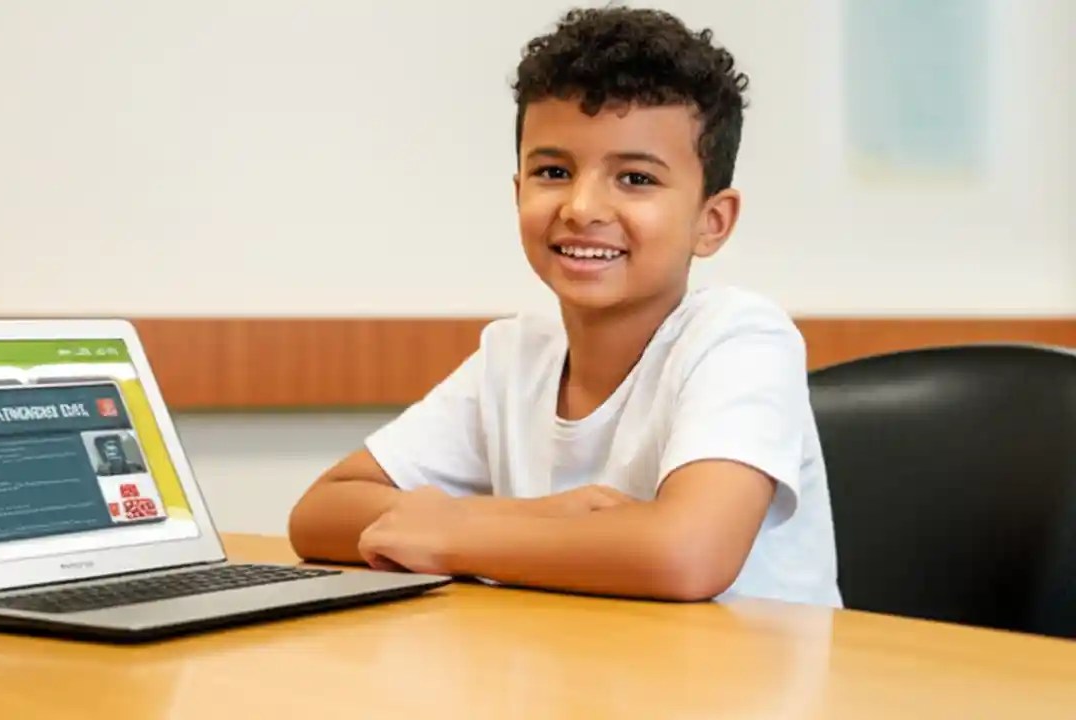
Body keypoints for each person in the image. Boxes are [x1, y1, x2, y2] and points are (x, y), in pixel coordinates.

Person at [287, 6, 840, 606]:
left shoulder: (741, 339)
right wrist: (538, 520)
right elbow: (320, 513)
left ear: (712, 222)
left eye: (635, 179)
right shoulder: (515, 356)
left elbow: (687, 556)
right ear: (518, 190)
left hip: (748, 690)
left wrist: (455, 530)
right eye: (553, 170)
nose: (581, 207)